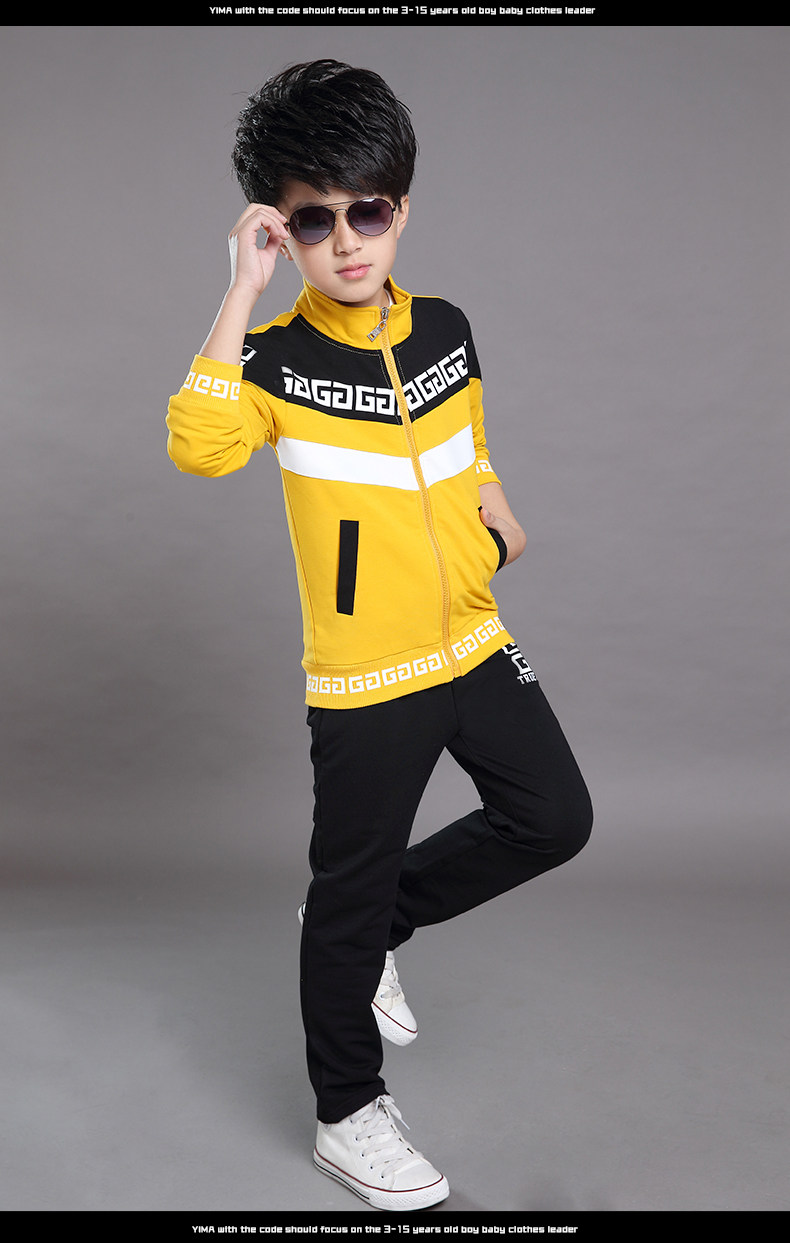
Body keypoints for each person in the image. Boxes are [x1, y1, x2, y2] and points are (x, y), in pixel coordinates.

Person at [165, 59, 593, 1213]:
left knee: (553, 818)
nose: (347, 241)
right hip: (367, 675)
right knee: (346, 892)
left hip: (473, 639)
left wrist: (494, 511)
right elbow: (198, 446)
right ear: (280, 228)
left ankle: (372, 919)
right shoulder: (273, 360)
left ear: (401, 205)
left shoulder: (446, 326)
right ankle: (347, 1114)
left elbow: (467, 443)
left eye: (369, 211)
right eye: (313, 220)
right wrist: (240, 291)